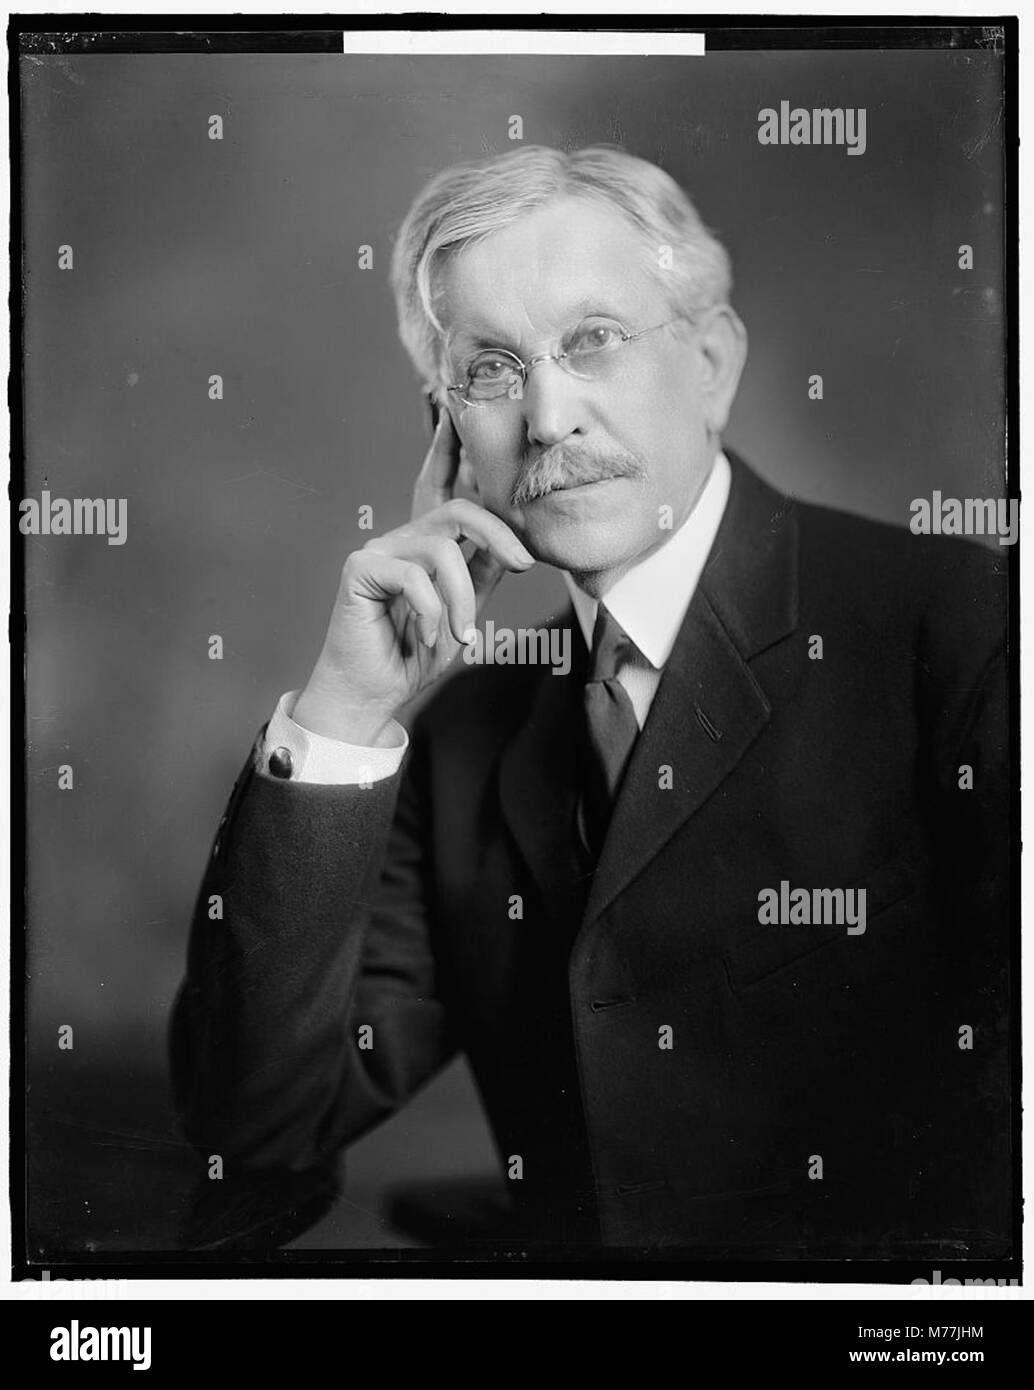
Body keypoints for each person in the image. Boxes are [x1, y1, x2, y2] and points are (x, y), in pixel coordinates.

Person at [171, 145, 1011, 1256]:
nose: (549, 414)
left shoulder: (970, 627)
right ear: (448, 432)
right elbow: (260, 1121)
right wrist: (342, 712)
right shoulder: (465, 732)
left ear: (709, 364)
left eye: (591, 341)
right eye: (490, 371)